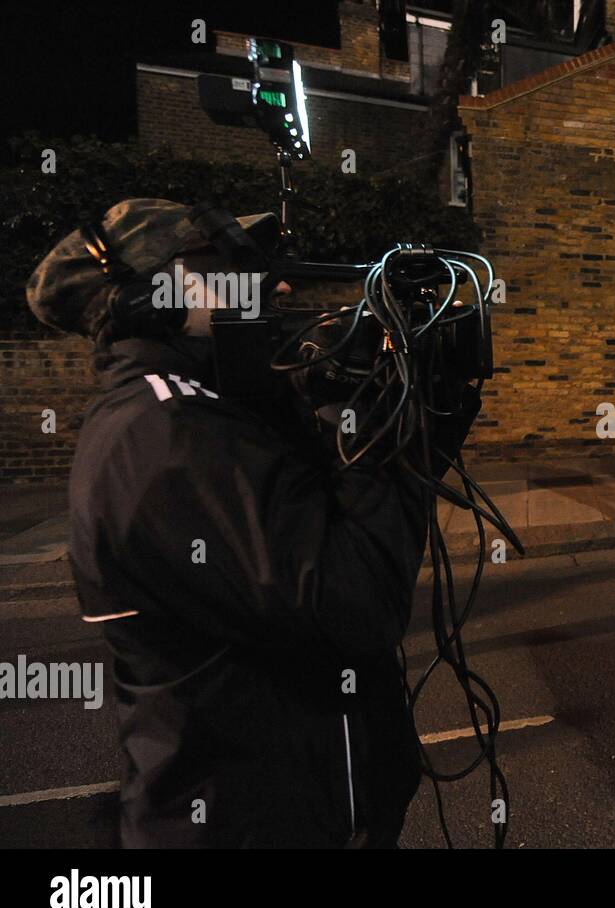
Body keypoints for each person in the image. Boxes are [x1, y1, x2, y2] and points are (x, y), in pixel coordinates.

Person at [27, 199, 428, 847]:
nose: (277, 284)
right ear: (164, 292)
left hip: (309, 811)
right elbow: (355, 599)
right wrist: (382, 442)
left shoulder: (212, 407)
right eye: (230, 266)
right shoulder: (167, 431)